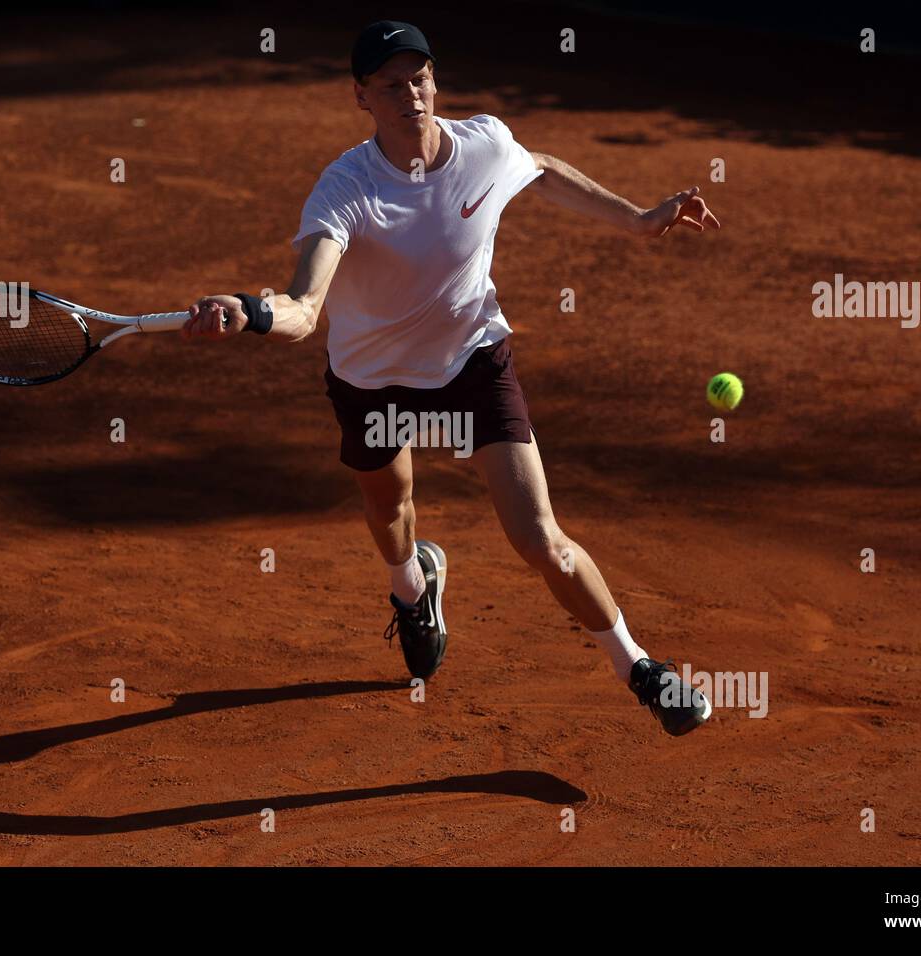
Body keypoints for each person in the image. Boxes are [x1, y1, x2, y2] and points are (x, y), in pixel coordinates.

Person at [181, 21, 721, 736]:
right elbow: (305, 309)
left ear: (435, 80)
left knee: (541, 539)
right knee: (390, 514)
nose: (410, 94)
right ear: (361, 98)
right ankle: (413, 589)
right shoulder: (345, 188)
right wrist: (250, 313)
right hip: (374, 382)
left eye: (419, 77)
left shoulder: (486, 146)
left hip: (473, 360)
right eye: (390, 84)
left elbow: (544, 168)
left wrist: (638, 220)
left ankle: (641, 669)